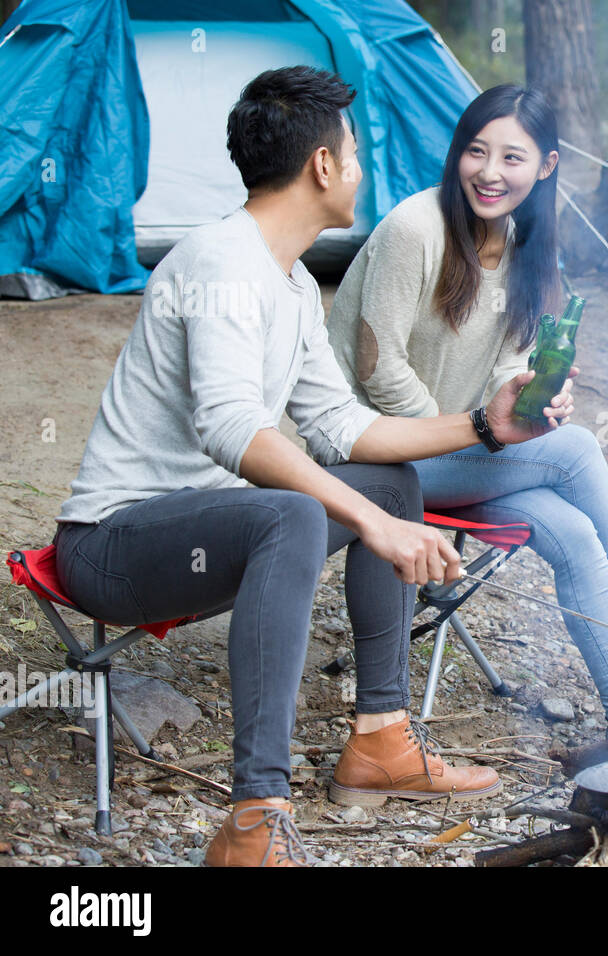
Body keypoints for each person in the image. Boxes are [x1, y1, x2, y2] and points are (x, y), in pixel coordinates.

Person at [51, 67, 573, 867]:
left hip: (215, 531)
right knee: (296, 509)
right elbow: (231, 427)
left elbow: (342, 426)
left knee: (390, 485)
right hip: (113, 548)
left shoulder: (291, 283)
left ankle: (380, 739)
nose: (362, 169)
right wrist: (370, 524)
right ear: (324, 166)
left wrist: (483, 424)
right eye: (356, 153)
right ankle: (255, 817)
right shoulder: (222, 262)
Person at [327, 84, 608, 740]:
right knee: (575, 453)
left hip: (464, 456)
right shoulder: (414, 229)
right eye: (476, 152)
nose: (489, 171)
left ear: (545, 166)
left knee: (574, 531)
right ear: (457, 153)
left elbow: (512, 367)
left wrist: (537, 397)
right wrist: (458, 434)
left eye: (512, 158)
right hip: (375, 457)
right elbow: (377, 366)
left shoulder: (528, 250)